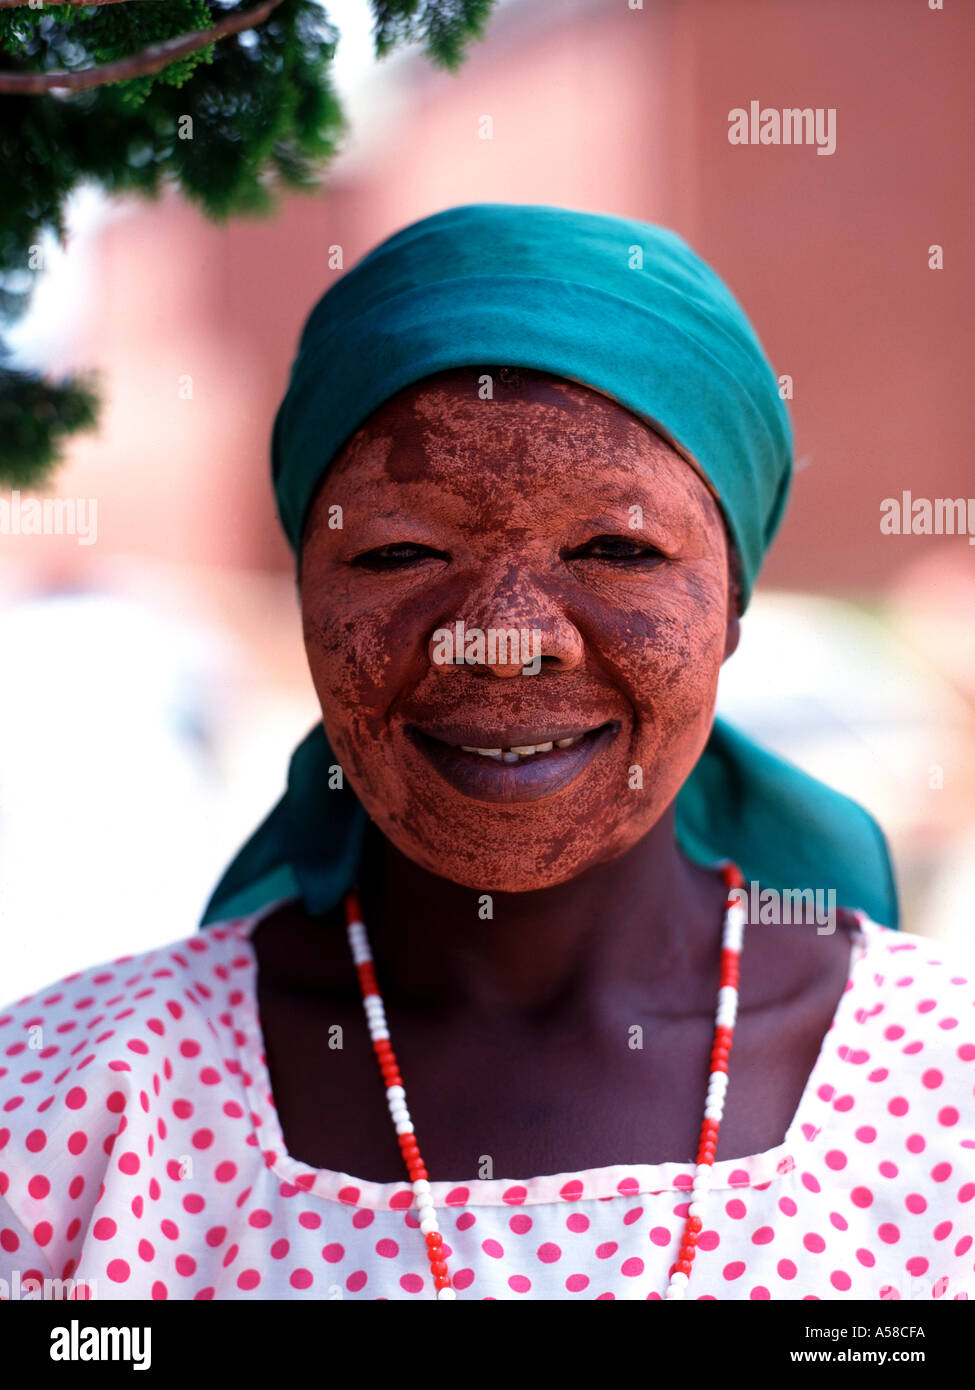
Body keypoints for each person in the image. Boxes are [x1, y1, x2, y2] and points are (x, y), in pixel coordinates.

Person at [1, 204, 971, 1302]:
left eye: (616, 546)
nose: (505, 638)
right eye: (402, 550)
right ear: (305, 596)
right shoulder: (61, 1116)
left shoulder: (948, 1094)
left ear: (735, 602)